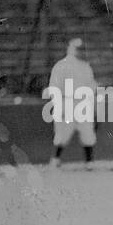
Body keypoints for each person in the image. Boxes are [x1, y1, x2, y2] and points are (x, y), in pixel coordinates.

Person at [46, 38, 98, 167]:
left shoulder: (85, 66)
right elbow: (54, 87)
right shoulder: (61, 65)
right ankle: (56, 159)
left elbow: (91, 86)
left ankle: (89, 161)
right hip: (66, 101)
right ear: (70, 48)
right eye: (76, 48)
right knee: (62, 134)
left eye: (80, 48)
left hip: (81, 102)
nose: (79, 51)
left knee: (87, 132)